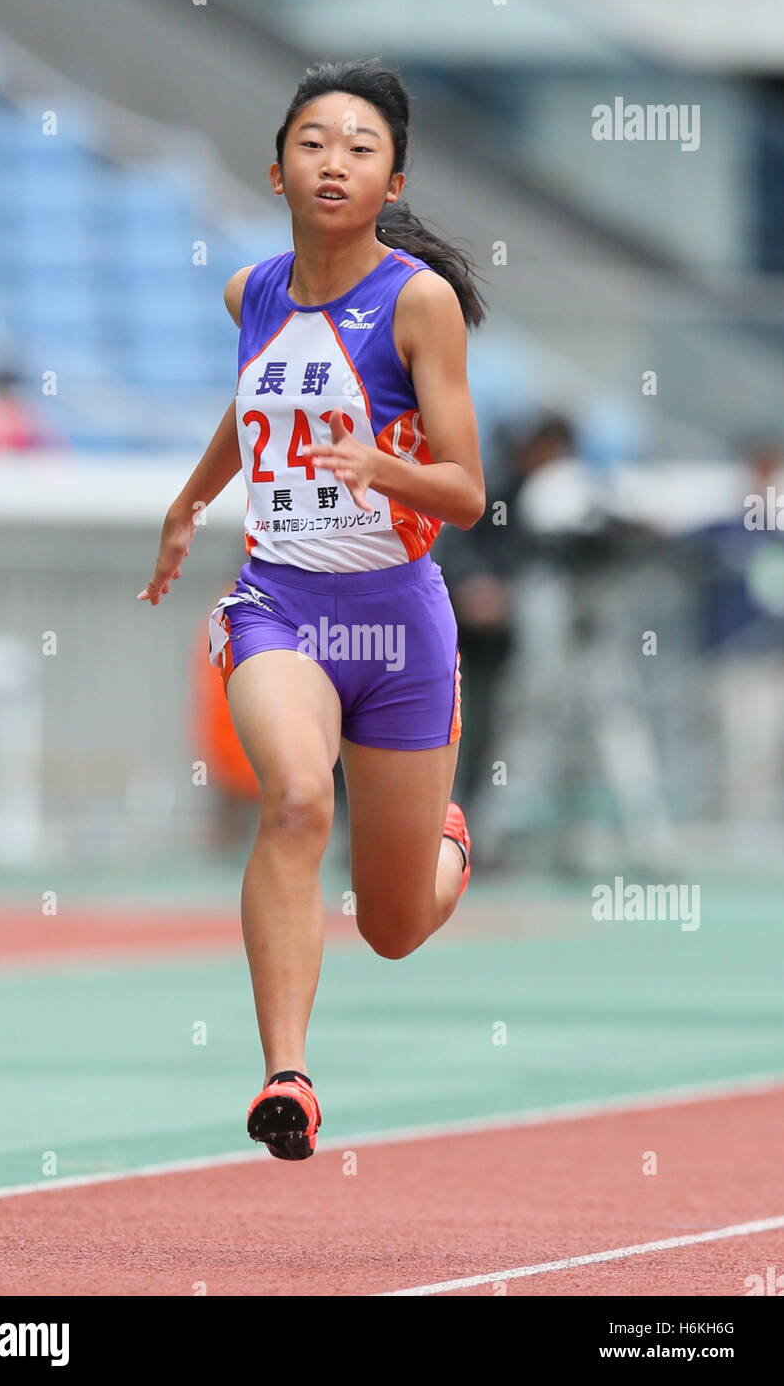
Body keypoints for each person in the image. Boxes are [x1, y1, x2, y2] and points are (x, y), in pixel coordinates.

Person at [137, 57, 487, 1160]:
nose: (332, 162)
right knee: (293, 796)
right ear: (276, 164)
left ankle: (446, 841)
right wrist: (192, 502)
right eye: (312, 143)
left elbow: (469, 493)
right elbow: (257, 406)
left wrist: (378, 470)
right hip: (279, 602)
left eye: (359, 148)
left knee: (391, 926)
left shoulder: (417, 304)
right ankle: (285, 1074)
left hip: (397, 625)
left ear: (391, 183)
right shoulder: (251, 291)